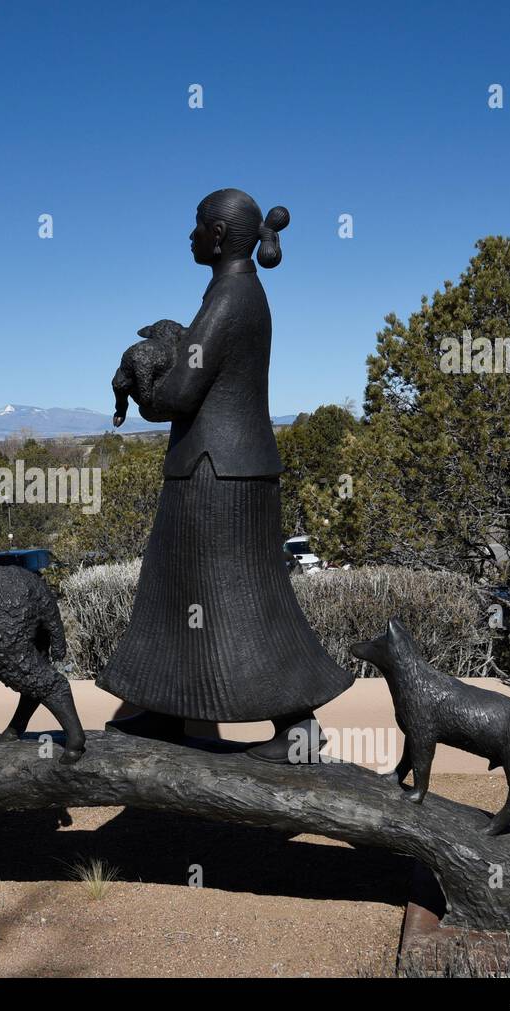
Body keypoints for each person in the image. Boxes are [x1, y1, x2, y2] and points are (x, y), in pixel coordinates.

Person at [97, 189, 352, 762]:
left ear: (216, 235)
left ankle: (298, 728)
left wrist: (140, 373)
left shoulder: (230, 296)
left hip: (218, 474)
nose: (189, 238)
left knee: (240, 596)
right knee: (178, 590)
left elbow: (179, 394)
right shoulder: (235, 294)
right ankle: (165, 705)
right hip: (221, 469)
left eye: (195, 228)